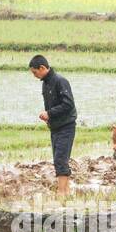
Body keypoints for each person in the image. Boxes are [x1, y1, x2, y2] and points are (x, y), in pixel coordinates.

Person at [28, 54, 77, 198]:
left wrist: (49, 113)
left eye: (35, 72)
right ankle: (66, 192)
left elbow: (68, 104)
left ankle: (61, 193)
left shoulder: (60, 81)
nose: (35, 76)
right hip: (55, 127)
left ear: (42, 68)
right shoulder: (46, 83)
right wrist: (49, 117)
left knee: (61, 159)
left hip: (66, 126)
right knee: (58, 159)